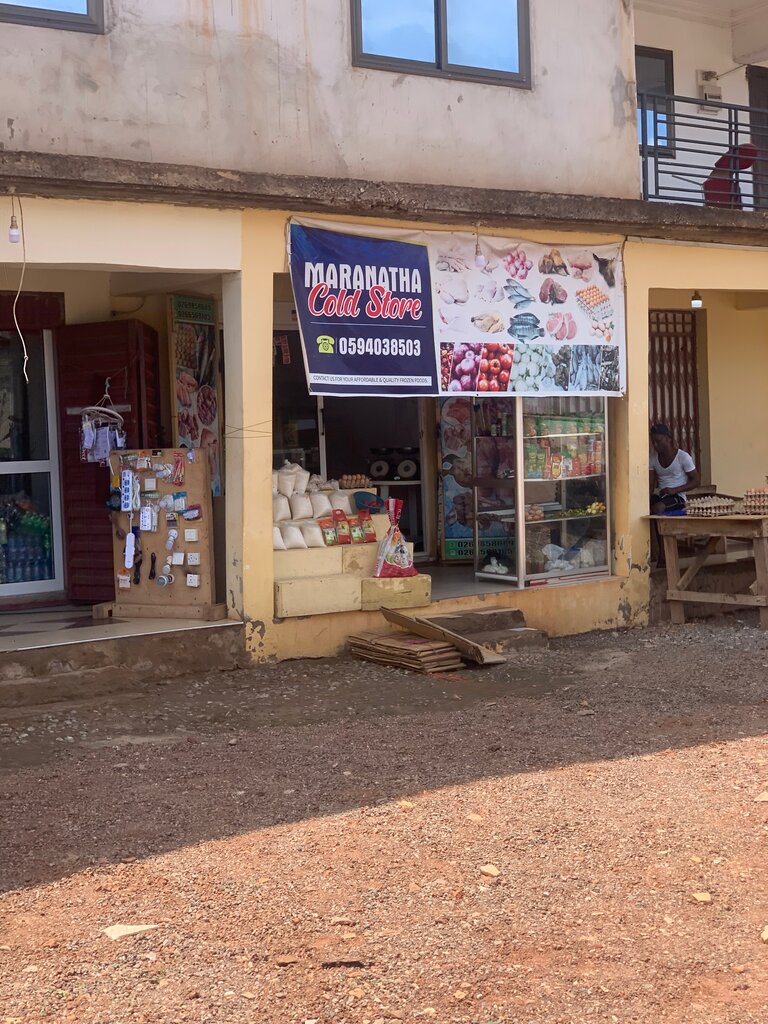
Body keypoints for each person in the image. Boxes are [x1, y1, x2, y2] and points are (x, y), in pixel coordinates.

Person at [650, 423, 700, 514]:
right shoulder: (653, 459)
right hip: (661, 495)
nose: (655, 445)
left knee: (658, 508)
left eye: (658, 441)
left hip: (678, 497)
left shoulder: (683, 457)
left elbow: (696, 481)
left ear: (668, 439)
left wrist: (674, 490)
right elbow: (650, 484)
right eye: (653, 442)